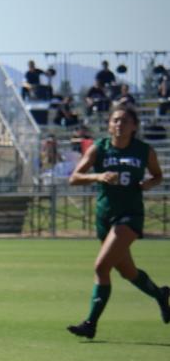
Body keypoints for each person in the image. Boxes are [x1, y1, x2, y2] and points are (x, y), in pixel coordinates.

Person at [66, 103, 169, 339]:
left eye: (124, 120)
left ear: (134, 126)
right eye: (115, 120)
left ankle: (90, 324)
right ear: (109, 125)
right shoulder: (99, 148)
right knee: (128, 272)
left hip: (130, 216)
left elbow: (158, 175)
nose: (119, 124)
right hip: (105, 216)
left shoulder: (143, 150)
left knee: (101, 267)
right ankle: (160, 295)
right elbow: (74, 178)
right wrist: (98, 175)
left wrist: (148, 184)